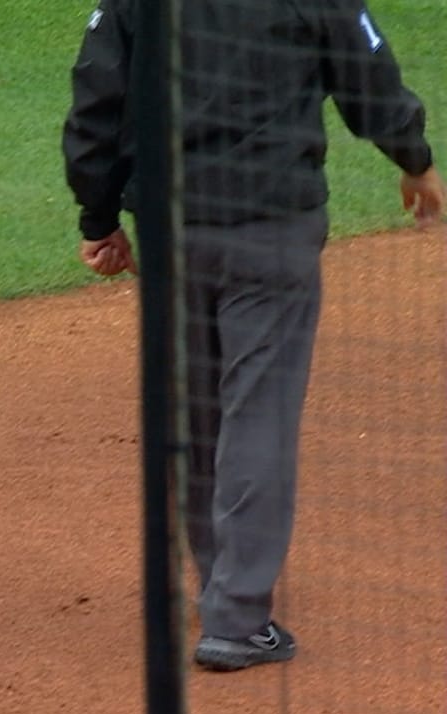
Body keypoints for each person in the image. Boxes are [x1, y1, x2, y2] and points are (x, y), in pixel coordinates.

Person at [62, 0, 445, 671]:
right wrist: (412, 157)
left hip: (172, 227)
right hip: (272, 229)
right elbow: (367, 71)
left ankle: (219, 588)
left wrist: (98, 216)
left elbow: (99, 97)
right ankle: (236, 617)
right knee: (257, 410)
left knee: (199, 411)